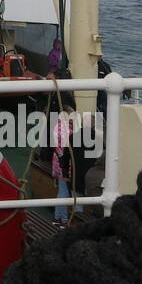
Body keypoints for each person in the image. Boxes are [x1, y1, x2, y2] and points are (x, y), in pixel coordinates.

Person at [51, 94, 78, 224]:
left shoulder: (57, 126)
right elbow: (68, 148)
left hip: (57, 161)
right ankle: (64, 219)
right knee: (64, 192)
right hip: (64, 164)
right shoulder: (69, 131)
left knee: (61, 190)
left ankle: (57, 217)